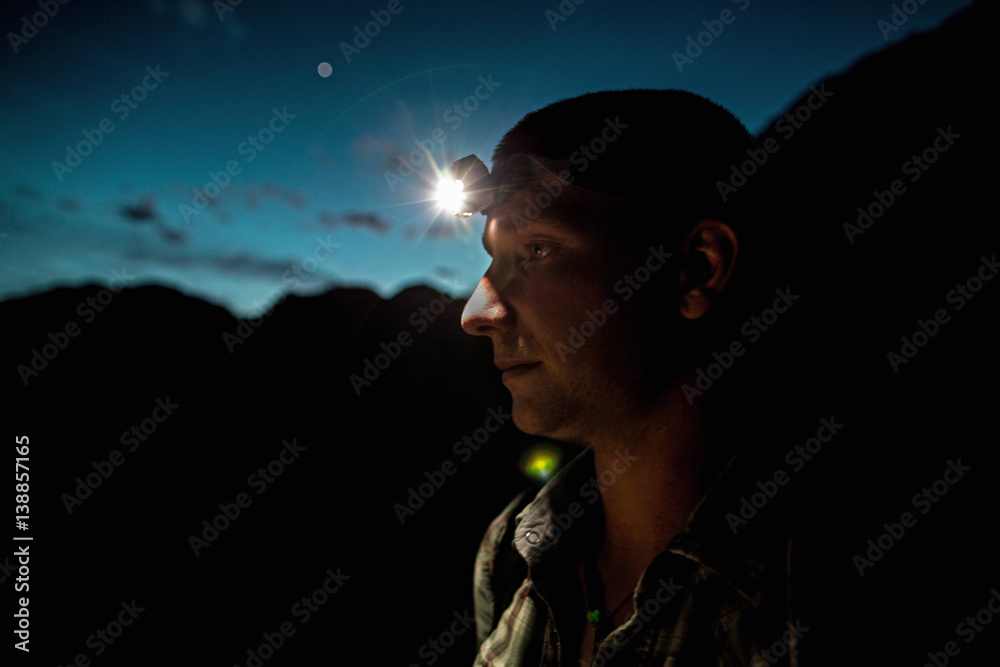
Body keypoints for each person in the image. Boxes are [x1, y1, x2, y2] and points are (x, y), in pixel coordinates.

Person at [458, 89, 802, 666]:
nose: (475, 313)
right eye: (492, 260)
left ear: (696, 268)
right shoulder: (510, 554)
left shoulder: (802, 582)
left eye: (537, 249)